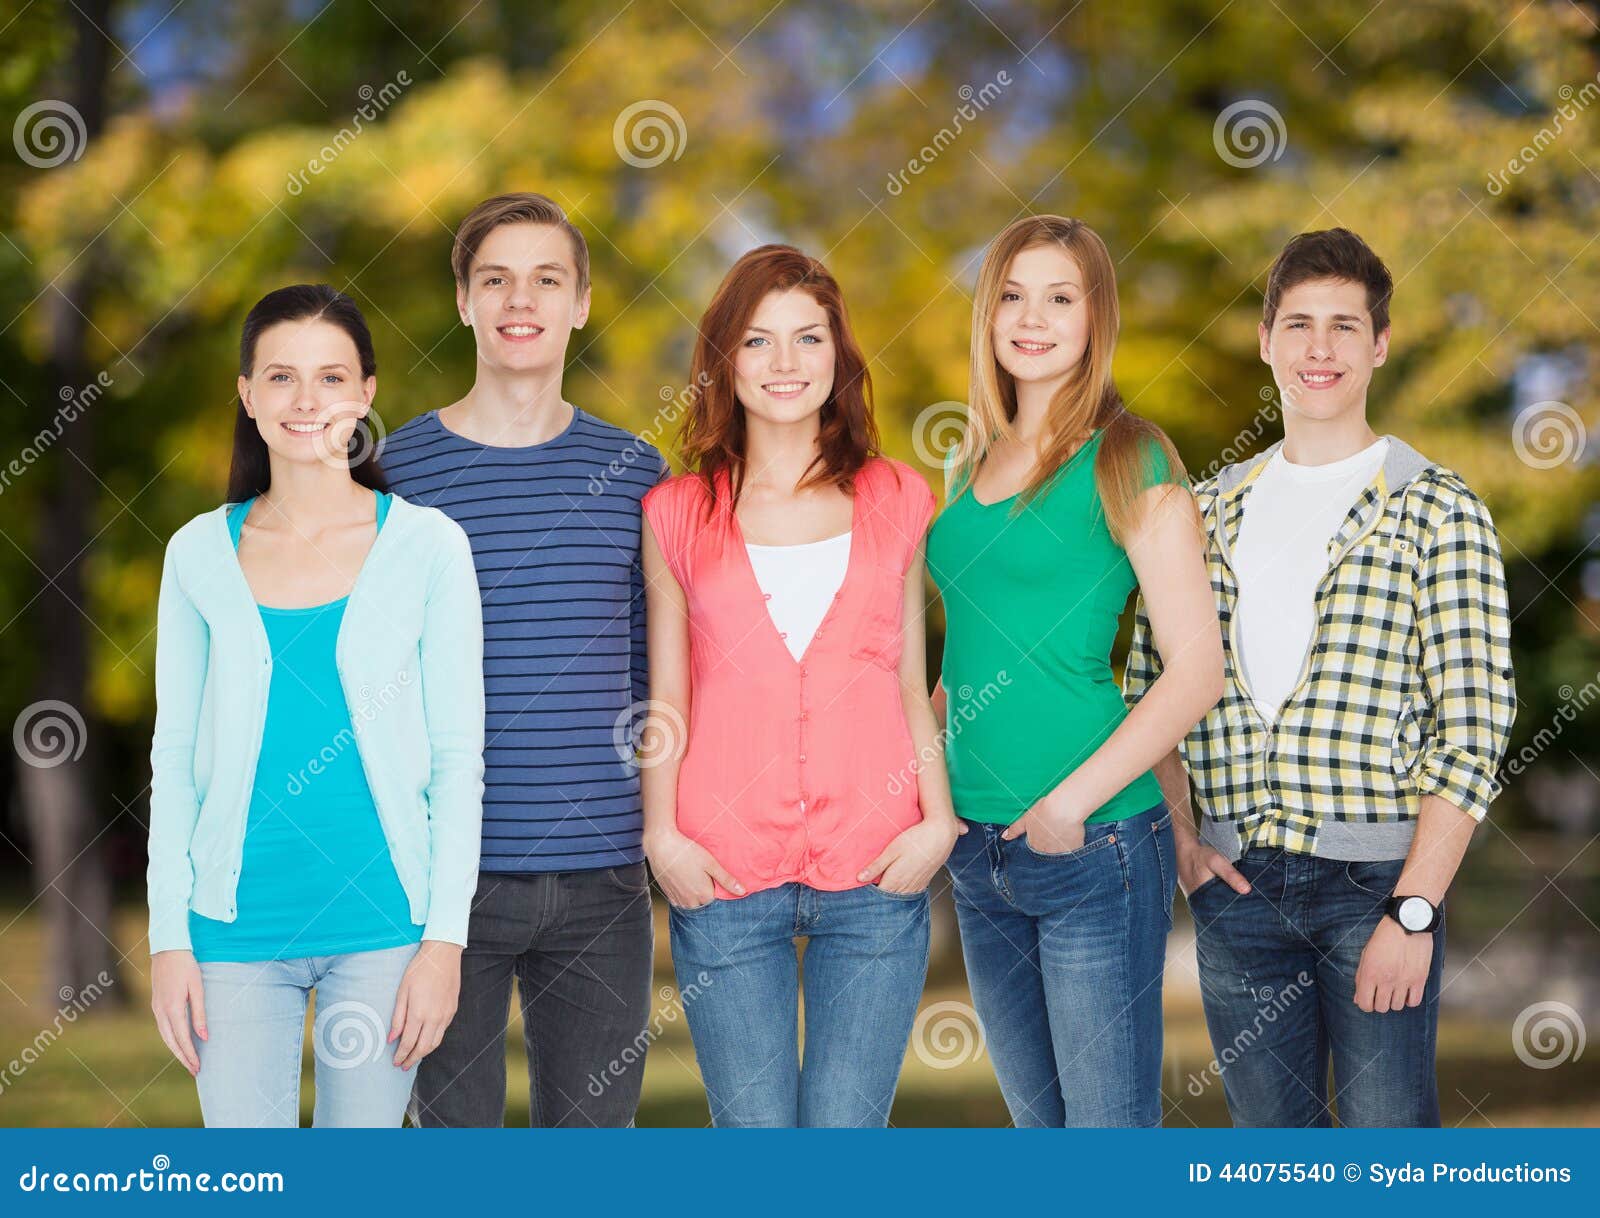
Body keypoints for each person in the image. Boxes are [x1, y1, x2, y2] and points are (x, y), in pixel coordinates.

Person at [1125, 227, 1516, 1127]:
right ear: (1266, 341)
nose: (1319, 348)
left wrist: (1413, 911)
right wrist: (1185, 841)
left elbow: (1475, 724)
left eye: (1345, 326)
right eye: (1298, 324)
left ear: (1379, 345)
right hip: (1237, 889)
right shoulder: (1208, 510)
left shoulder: (1436, 507)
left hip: (1373, 889)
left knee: (1388, 1161)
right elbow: (1151, 694)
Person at [147, 284, 484, 1127]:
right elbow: (173, 756)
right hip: (230, 933)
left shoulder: (429, 547)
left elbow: (457, 759)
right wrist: (166, 940)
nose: (307, 401)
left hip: (382, 929)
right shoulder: (197, 554)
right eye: (282, 377)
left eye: (331, 377)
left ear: (367, 393)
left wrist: (444, 943)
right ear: (248, 395)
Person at [641, 244, 959, 1127]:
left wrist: (938, 822)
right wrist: (660, 835)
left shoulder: (900, 496)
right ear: (723, 362)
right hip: (721, 866)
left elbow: (908, 677)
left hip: (878, 863)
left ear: (838, 355)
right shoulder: (676, 510)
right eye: (757, 342)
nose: (785, 364)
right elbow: (668, 694)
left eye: (807, 338)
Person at [927, 215, 1223, 1127]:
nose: (1033, 317)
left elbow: (1196, 671)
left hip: (1093, 847)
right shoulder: (963, 467)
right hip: (978, 853)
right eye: (1013, 295)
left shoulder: (1130, 456)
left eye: (1061, 298)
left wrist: (1067, 807)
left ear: (1097, 320)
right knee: (1040, 1140)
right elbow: (955, 672)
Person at [384, 193, 663, 1127]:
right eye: (496, 278)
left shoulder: (637, 473)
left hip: (603, 882)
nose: (521, 299)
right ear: (462, 300)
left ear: (581, 303)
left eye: (548, 279)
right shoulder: (394, 475)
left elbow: (654, 674)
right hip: (441, 891)